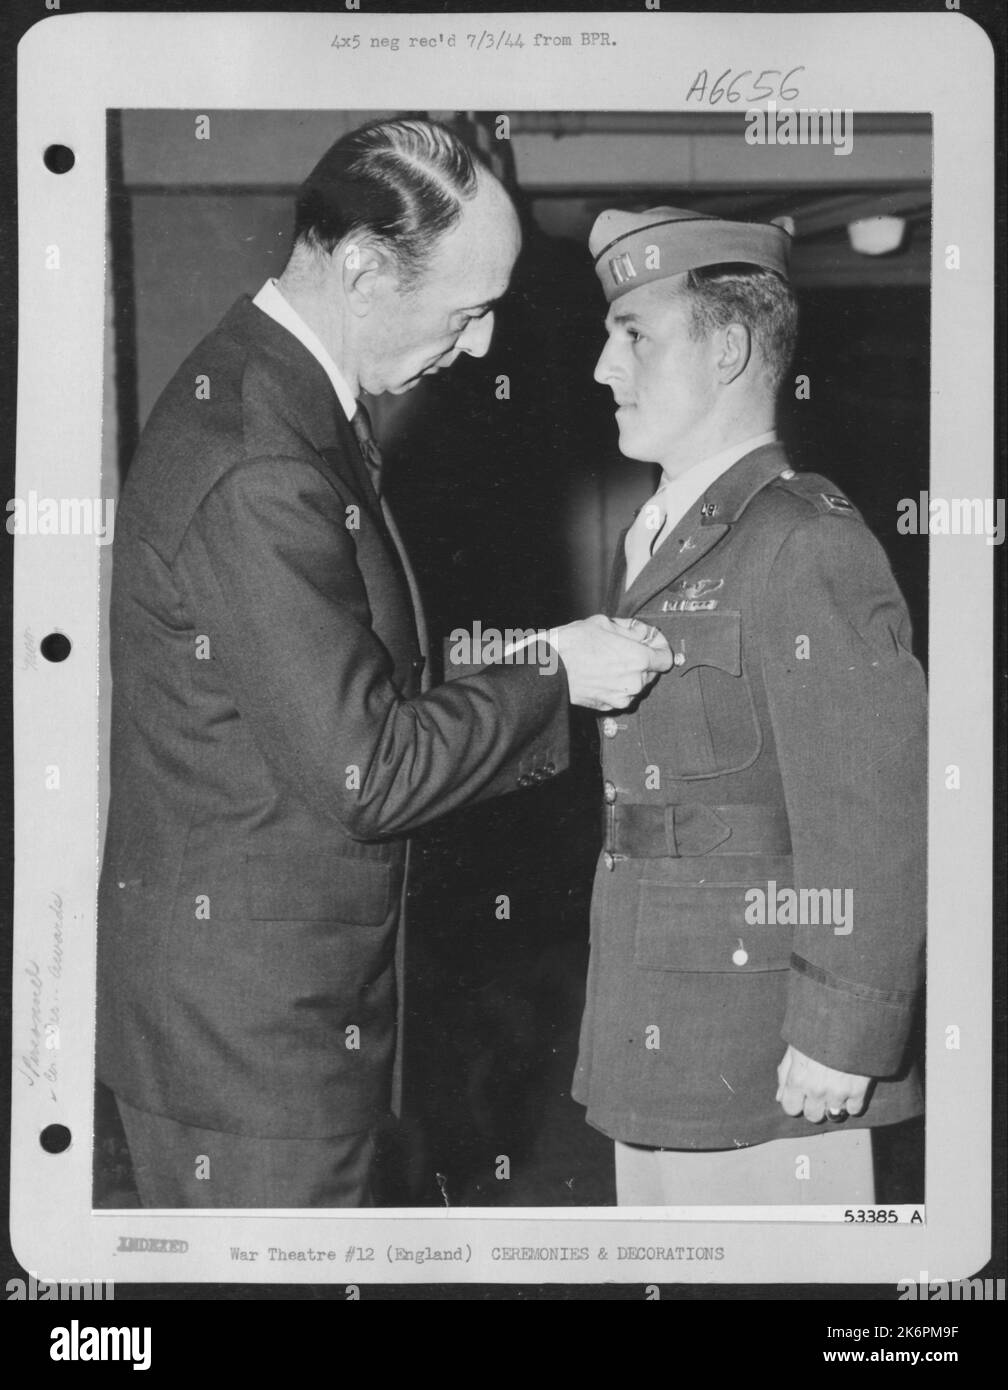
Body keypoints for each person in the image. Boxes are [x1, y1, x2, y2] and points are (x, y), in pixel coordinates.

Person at [96, 119, 670, 1209]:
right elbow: (368, 770)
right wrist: (555, 673)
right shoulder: (262, 459)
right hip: (253, 1048)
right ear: (361, 267)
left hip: (269, 1016)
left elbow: (338, 686)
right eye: (468, 310)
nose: (486, 345)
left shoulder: (284, 398)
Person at [573, 205, 926, 1205]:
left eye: (631, 335)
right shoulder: (657, 537)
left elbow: (871, 806)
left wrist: (842, 1029)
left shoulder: (802, 540)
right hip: (654, 1014)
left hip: (772, 1052)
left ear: (726, 349)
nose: (604, 368)